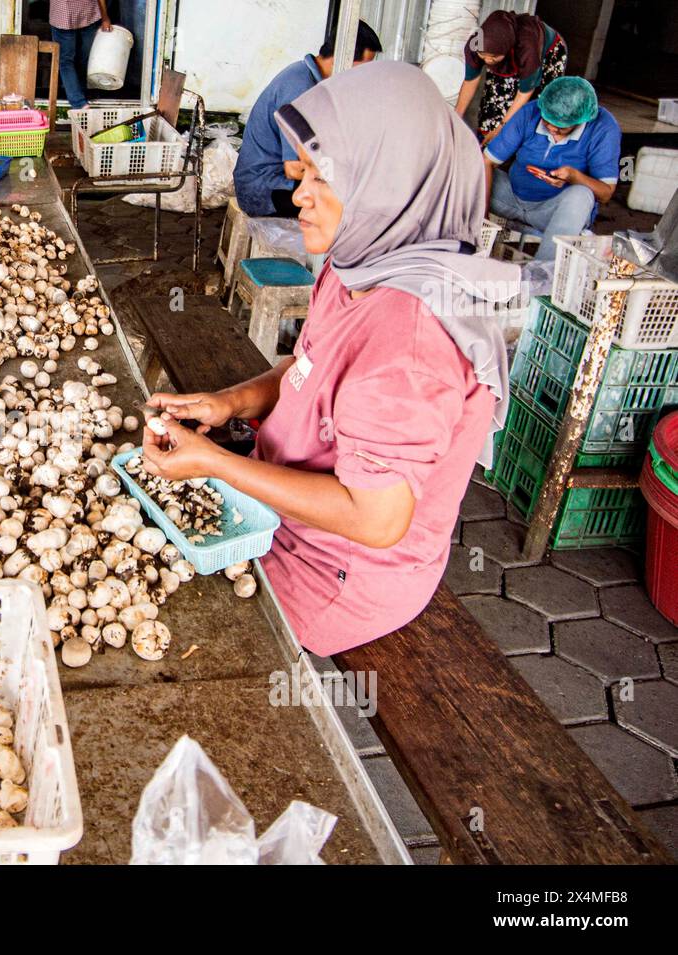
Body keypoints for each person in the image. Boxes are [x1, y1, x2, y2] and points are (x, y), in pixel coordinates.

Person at [143, 61, 520, 657]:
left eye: (323, 178)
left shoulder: (410, 346)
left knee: (173, 627)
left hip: (336, 569)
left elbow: (375, 521)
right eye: (303, 174)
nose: (298, 195)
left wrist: (214, 463)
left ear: (387, 183)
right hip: (283, 508)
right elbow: (307, 365)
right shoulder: (360, 264)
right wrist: (231, 403)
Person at [232, 21, 381, 218]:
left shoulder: (307, 76)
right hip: (265, 189)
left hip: (274, 183)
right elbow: (294, 169)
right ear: (342, 59)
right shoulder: (300, 89)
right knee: (355, 204)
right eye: (361, 68)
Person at [484, 76, 621, 262]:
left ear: (581, 120)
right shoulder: (530, 112)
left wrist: (574, 176)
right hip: (509, 198)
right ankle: (464, 246)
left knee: (581, 195)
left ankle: (540, 274)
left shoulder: (603, 127)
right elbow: (487, 162)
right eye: (547, 121)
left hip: (552, 213)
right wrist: (482, 217)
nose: (552, 129)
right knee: (469, 170)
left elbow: (606, 193)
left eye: (561, 128)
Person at [455, 10, 567, 145]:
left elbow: (525, 92)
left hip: (549, 52)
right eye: (483, 55)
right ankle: (484, 144)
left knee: (539, 102)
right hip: (508, 53)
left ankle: (522, 147)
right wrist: (455, 118)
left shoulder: (528, 48)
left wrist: (501, 126)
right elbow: (470, 81)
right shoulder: (476, 43)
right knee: (494, 100)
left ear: (506, 49)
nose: (488, 61)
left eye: (494, 57)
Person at [51, 0, 112, 110]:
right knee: (83, 59)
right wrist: (105, 17)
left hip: (63, 17)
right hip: (87, 14)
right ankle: (82, 97)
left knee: (66, 62)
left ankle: (80, 103)